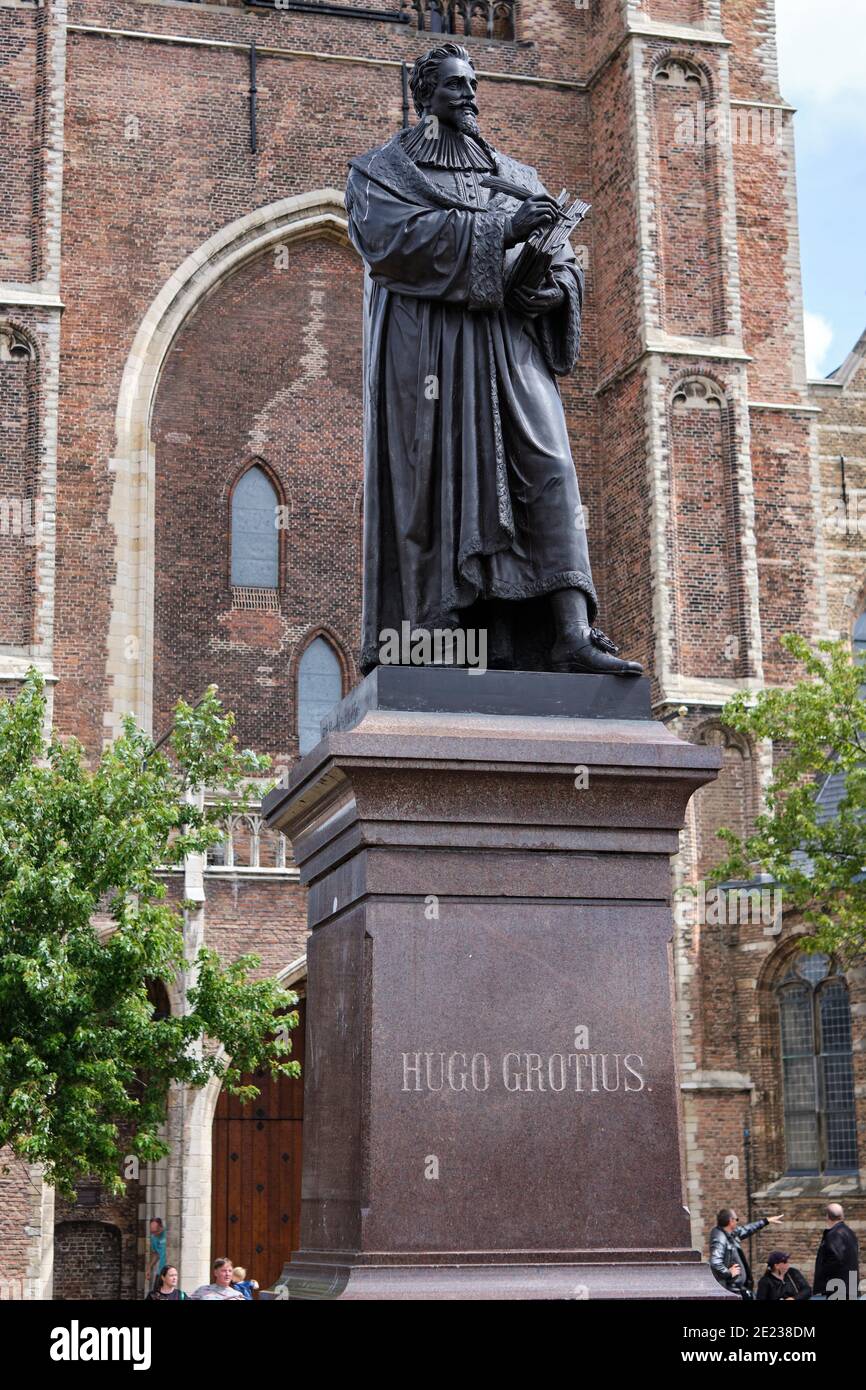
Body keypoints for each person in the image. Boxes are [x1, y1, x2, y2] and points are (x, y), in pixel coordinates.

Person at [345, 42, 642, 678]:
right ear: (425, 95)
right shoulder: (383, 174)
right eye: (455, 85)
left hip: (510, 348)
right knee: (440, 481)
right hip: (431, 351)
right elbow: (389, 244)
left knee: (551, 465)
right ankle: (438, 632)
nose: (470, 95)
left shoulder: (519, 178)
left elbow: (561, 270)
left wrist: (548, 282)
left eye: (474, 84)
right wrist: (499, 234)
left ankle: (570, 629)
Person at [709, 1208, 784, 1299]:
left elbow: (746, 1229)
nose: (737, 1222)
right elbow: (715, 1262)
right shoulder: (720, 1237)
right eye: (736, 1219)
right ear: (731, 1221)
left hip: (738, 1289)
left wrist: (766, 1221)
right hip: (731, 1290)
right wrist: (728, 1273)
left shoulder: (731, 1235)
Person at [813, 1203, 860, 1300]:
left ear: (827, 1216)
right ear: (842, 1216)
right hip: (850, 1285)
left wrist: (822, 1274)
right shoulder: (849, 1232)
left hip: (838, 1287)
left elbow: (836, 1259)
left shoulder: (834, 1234)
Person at [146, 1217, 167, 1294]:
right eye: (152, 1232)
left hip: (170, 1270)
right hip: (160, 1270)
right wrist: (149, 1268)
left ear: (161, 1227)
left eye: (156, 1231)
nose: (154, 1234)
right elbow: (156, 1254)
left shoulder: (169, 1233)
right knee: (155, 1294)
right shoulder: (153, 1238)